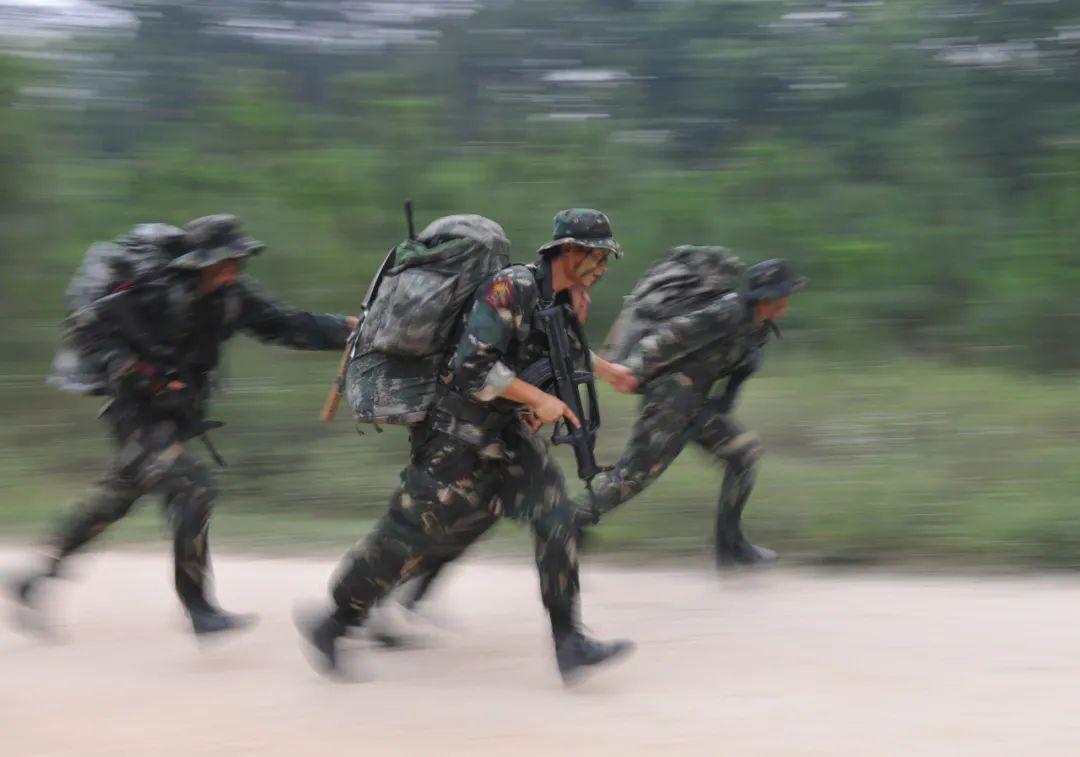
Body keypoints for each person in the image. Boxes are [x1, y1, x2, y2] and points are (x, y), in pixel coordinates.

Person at [297, 209, 637, 682]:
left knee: (557, 518)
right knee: (406, 535)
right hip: (453, 436)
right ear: (569, 251)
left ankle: (569, 642)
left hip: (506, 434)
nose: (602, 266)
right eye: (597, 255)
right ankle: (334, 622)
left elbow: (566, 352)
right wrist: (539, 398)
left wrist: (610, 372)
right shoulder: (510, 289)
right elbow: (469, 369)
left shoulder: (556, 300)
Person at [8, 215, 356, 636]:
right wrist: (141, 373)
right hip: (134, 412)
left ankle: (36, 576)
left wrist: (348, 330)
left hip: (176, 414)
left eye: (239, 261)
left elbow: (286, 325)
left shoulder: (231, 297)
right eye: (226, 261)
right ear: (200, 262)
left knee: (115, 500)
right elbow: (93, 339)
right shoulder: (152, 294)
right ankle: (198, 608)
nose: (234, 270)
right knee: (193, 486)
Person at [561, 251, 806, 567]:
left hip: (696, 404)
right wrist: (632, 369)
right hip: (670, 400)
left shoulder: (757, 328)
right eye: (784, 293)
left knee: (743, 453)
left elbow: (730, 380)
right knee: (632, 477)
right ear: (768, 296)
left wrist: (719, 413)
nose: (787, 300)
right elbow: (672, 335)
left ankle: (730, 547)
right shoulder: (728, 311)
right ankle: (566, 520)